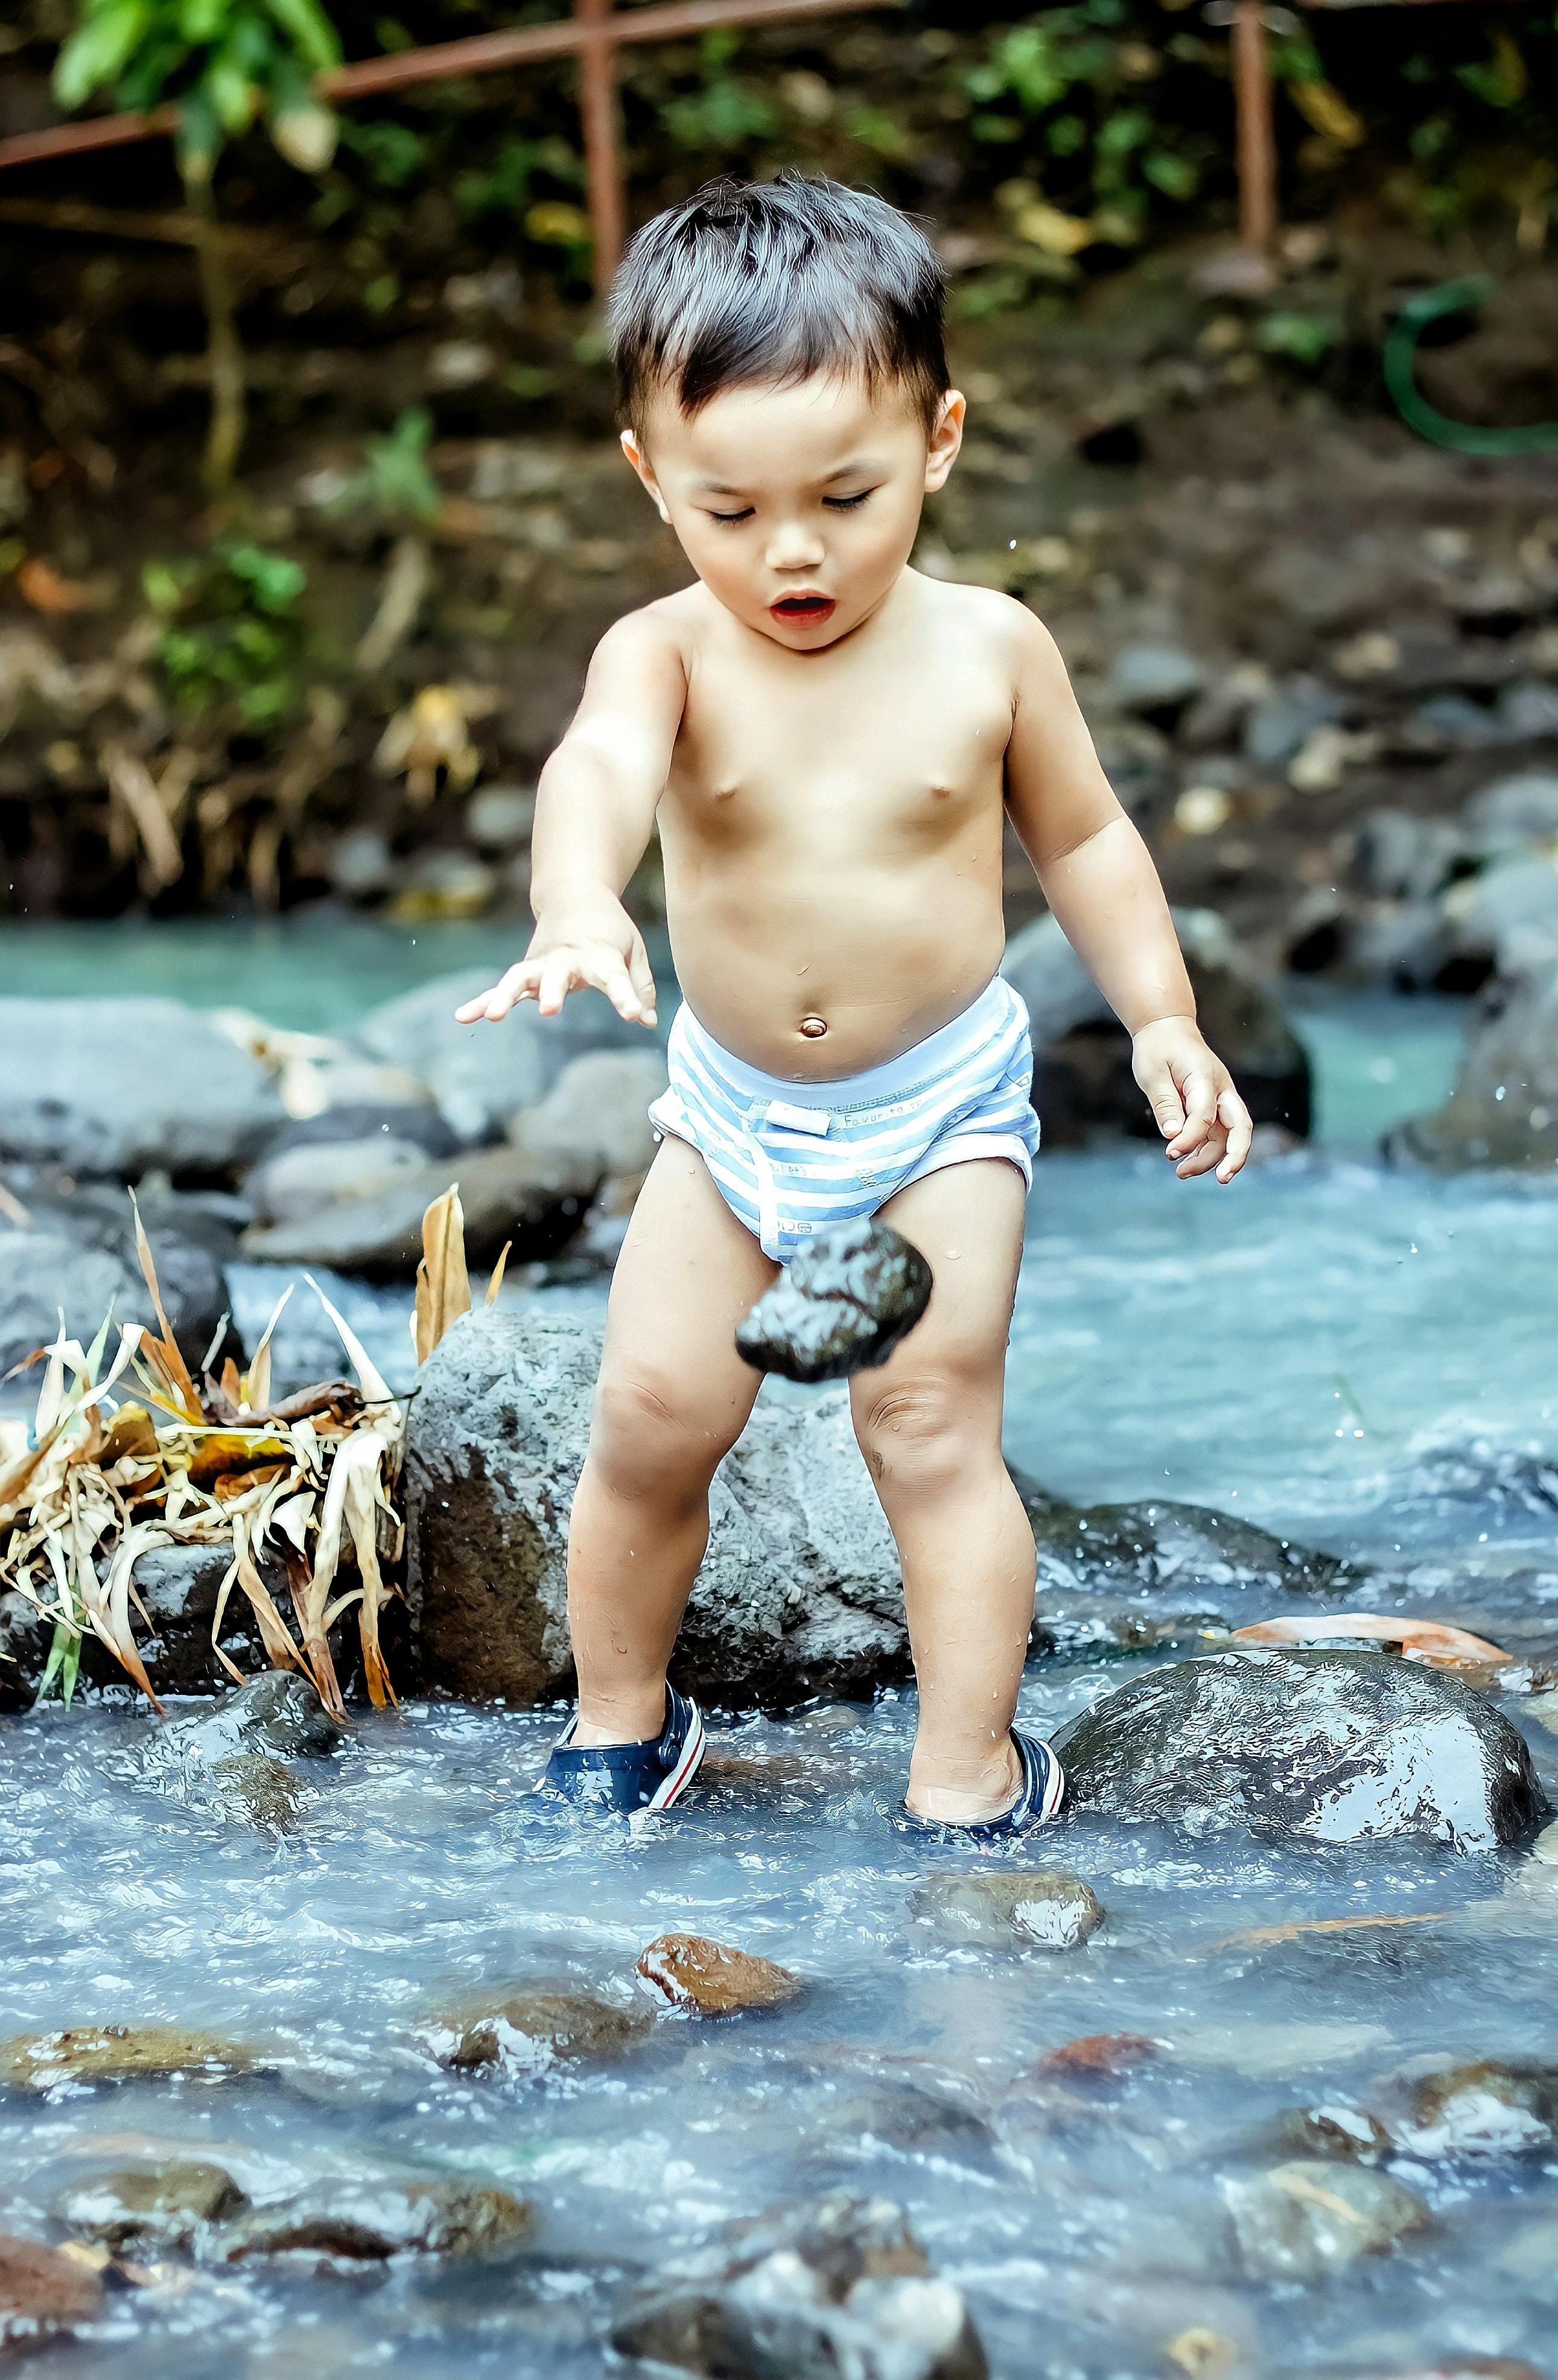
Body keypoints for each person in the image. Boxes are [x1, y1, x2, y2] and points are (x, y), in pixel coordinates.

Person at [457, 173, 1252, 1841]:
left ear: (938, 442)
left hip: (937, 1118)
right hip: (729, 1119)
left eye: (845, 494)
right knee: (650, 1415)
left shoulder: (990, 649)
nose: (794, 551)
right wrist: (576, 902)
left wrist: (1163, 1019)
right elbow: (595, 770)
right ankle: (620, 1719)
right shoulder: (665, 653)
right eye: (729, 510)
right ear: (649, 476)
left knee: (925, 1424)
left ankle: (966, 1769)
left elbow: (1085, 840)